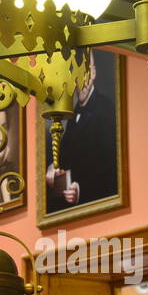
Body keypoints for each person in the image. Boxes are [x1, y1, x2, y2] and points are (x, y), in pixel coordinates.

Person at [45, 50, 118, 212]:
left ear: (94, 72)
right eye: (78, 71)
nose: (84, 77)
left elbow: (110, 166)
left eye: (88, 70)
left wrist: (81, 190)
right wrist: (53, 167)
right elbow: (68, 158)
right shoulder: (73, 115)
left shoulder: (106, 109)